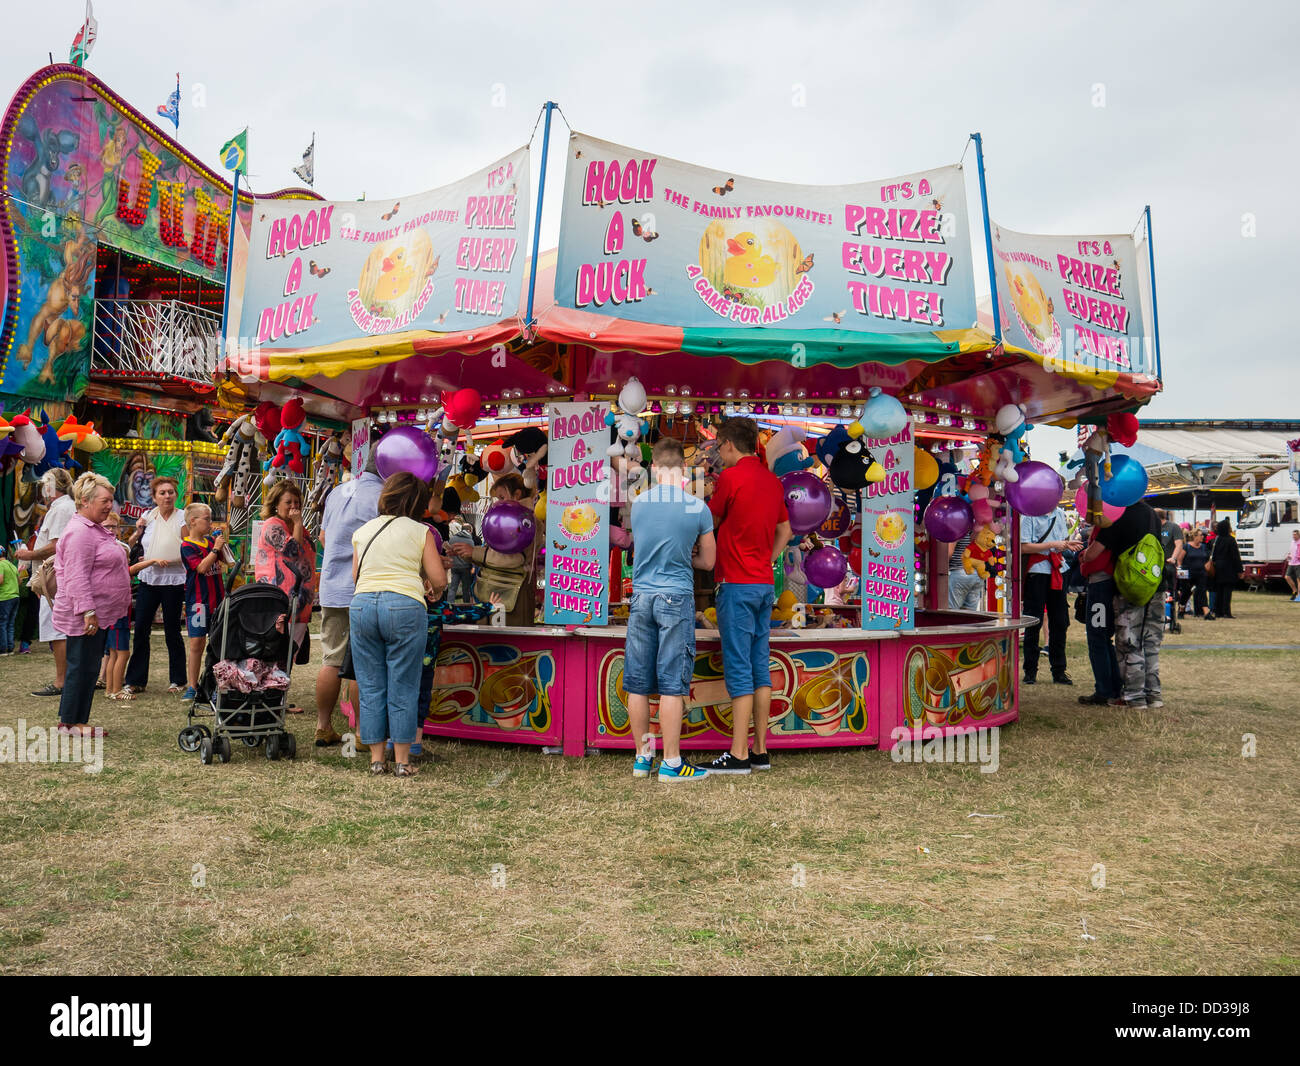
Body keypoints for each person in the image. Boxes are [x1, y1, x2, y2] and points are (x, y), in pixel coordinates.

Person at [625, 437, 717, 782]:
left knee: (637, 681)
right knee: (671, 685)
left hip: (641, 597)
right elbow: (708, 561)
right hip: (676, 597)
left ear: (654, 468)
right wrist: (686, 556)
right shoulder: (698, 508)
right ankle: (672, 762)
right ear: (683, 470)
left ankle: (642, 758)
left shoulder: (639, 504)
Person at [702, 417, 791, 775]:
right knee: (759, 667)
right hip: (763, 583)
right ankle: (759, 750)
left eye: (718, 447)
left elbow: (709, 519)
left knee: (739, 668)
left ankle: (738, 754)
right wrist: (768, 558)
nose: (718, 454)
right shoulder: (772, 481)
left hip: (736, 584)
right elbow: (784, 529)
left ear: (728, 444)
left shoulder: (730, 478)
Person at [350, 472, 447, 777]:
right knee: (404, 683)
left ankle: (377, 759)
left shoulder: (363, 530)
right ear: (417, 502)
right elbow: (439, 579)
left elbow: (356, 577)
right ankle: (403, 762)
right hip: (405, 606)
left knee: (370, 684)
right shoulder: (421, 532)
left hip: (363, 605)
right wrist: (431, 588)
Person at [52, 473, 131, 737]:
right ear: (85, 501)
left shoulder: (92, 529)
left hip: (96, 614)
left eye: (111, 500)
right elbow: (76, 576)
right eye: (105, 501)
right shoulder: (80, 534)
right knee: (82, 666)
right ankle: (71, 723)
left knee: (88, 665)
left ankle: (74, 721)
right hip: (85, 615)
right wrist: (88, 612)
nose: (110, 506)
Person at [315, 456, 383, 746]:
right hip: (362, 586)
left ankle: (323, 725)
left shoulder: (337, 491)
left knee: (331, 660)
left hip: (331, 586)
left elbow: (323, 536)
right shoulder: (383, 496)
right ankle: (360, 732)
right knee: (360, 663)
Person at [1085, 497, 1164, 709]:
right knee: (1151, 644)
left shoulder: (1118, 514)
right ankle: (1154, 695)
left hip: (1131, 585)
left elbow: (1095, 551)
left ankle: (1134, 697)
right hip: (1156, 583)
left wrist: (1082, 556)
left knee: (1129, 642)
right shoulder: (1152, 514)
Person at [123, 476, 187, 695]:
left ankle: (178, 680)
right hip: (149, 577)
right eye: (162, 493)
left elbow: (188, 546)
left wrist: (174, 559)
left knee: (172, 630)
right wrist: (138, 532)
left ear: (176, 495)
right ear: (154, 497)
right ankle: (136, 680)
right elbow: (133, 543)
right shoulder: (147, 517)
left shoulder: (183, 517)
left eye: (170, 492)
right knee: (141, 628)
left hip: (173, 578)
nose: (167, 496)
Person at [16, 468, 75, 695]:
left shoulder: (62, 509)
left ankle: (62, 681)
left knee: (57, 630)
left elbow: (56, 545)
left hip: (55, 577)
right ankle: (67, 678)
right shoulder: (62, 507)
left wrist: (28, 555)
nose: (42, 489)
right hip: (57, 576)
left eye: (45, 484)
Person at [451, 472, 537, 627]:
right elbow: (493, 553)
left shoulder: (527, 521)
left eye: (501, 497)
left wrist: (475, 552)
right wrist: (466, 552)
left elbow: (513, 559)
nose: (497, 503)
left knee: (504, 640)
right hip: (494, 589)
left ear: (517, 495)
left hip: (511, 593)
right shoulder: (507, 517)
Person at [255, 480, 317, 692]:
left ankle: (279, 692)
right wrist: (298, 524)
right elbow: (294, 552)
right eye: (288, 502)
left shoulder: (298, 526)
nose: (293, 506)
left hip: (300, 601)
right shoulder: (273, 525)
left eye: (296, 502)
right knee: (278, 648)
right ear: (276, 504)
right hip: (280, 598)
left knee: (291, 650)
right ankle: (273, 693)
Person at [1019, 506, 1082, 685]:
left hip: (1057, 570)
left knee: (1060, 622)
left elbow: (1061, 542)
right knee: (1033, 621)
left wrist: (1065, 545)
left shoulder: (1060, 514)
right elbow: (1024, 547)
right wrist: (1053, 545)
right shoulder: (1030, 513)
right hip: (1037, 572)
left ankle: (1059, 670)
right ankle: (1030, 671)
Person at [179, 503, 227, 701]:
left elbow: (226, 561)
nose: (210, 522)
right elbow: (200, 568)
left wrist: (220, 545)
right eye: (206, 519)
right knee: (197, 644)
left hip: (218, 601)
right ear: (193, 521)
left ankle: (216, 685)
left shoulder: (210, 541)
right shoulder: (187, 545)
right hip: (198, 602)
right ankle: (192, 685)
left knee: (218, 644)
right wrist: (215, 549)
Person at [1076, 523, 1122, 706]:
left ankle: (1104, 690)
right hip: (1106, 584)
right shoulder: (1116, 523)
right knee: (1103, 638)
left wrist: (1083, 555)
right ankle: (1113, 687)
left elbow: (1092, 556)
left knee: (1097, 637)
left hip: (1100, 584)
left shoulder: (1106, 526)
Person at [1209, 518, 1242, 619]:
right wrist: (1240, 570)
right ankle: (1226, 611)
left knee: (1219, 591)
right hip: (1229, 568)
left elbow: (1212, 555)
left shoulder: (1215, 540)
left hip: (1217, 568)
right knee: (1227, 591)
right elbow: (1235, 556)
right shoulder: (1231, 540)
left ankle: (1218, 611)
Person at [1179, 526, 1211, 620]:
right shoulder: (1187, 547)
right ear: (1195, 536)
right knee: (1186, 593)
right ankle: (1181, 610)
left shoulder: (1203, 547)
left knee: (1202, 592)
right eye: (1201, 535)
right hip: (1188, 574)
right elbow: (1180, 560)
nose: (1203, 537)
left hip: (1201, 573)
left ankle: (1206, 613)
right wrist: (1180, 570)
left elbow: (1207, 558)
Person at [947, 529, 983, 610]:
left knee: (952, 612)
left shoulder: (957, 530)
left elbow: (948, 553)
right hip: (976, 574)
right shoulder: (975, 529)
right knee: (969, 614)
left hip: (960, 573)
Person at [0, 547, 18, 654]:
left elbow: (0, 580)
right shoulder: (11, 565)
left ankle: (3, 649)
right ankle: (10, 648)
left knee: (2, 623)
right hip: (15, 596)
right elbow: (19, 581)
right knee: (10, 624)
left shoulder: (0, 565)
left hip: (5, 597)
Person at [1285, 528, 1300, 602]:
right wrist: (1289, 555)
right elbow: (1291, 551)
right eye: (1293, 535)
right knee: (1287, 577)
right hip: (1291, 563)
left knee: (1298, 580)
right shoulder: (1292, 542)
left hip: (1298, 563)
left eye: (1295, 534)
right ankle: (1295, 591)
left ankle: (1298, 596)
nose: (1293, 536)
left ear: (1298, 535)